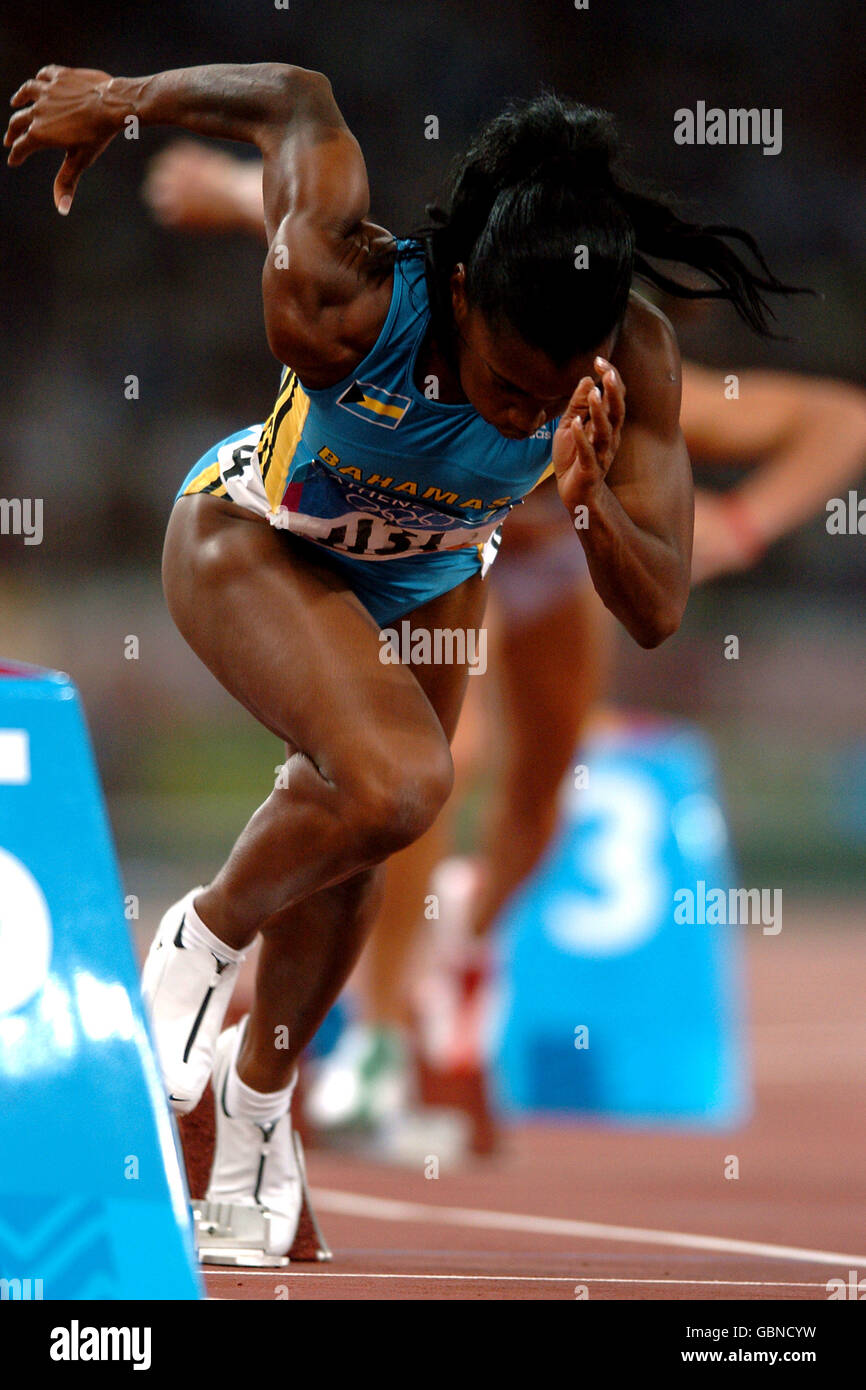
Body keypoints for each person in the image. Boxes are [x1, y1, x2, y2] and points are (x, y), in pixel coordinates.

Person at [7, 60, 802, 1253]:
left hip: (430, 584)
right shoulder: (342, 291)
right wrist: (120, 100)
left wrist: (586, 506)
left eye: (549, 399)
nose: (525, 419)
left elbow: (655, 608)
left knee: (366, 828)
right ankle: (193, 950)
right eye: (505, 385)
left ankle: (257, 1116)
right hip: (255, 540)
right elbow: (296, 97)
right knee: (403, 781)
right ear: (464, 291)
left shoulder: (624, 353)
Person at [143, 143, 866, 1145]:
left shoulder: (647, 382)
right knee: (443, 760)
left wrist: (734, 530)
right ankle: (380, 1032)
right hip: (443, 552)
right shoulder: (458, 311)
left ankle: (466, 960)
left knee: (541, 789)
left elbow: (840, 419)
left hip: (557, 564)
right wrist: (229, 188)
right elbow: (315, 231)